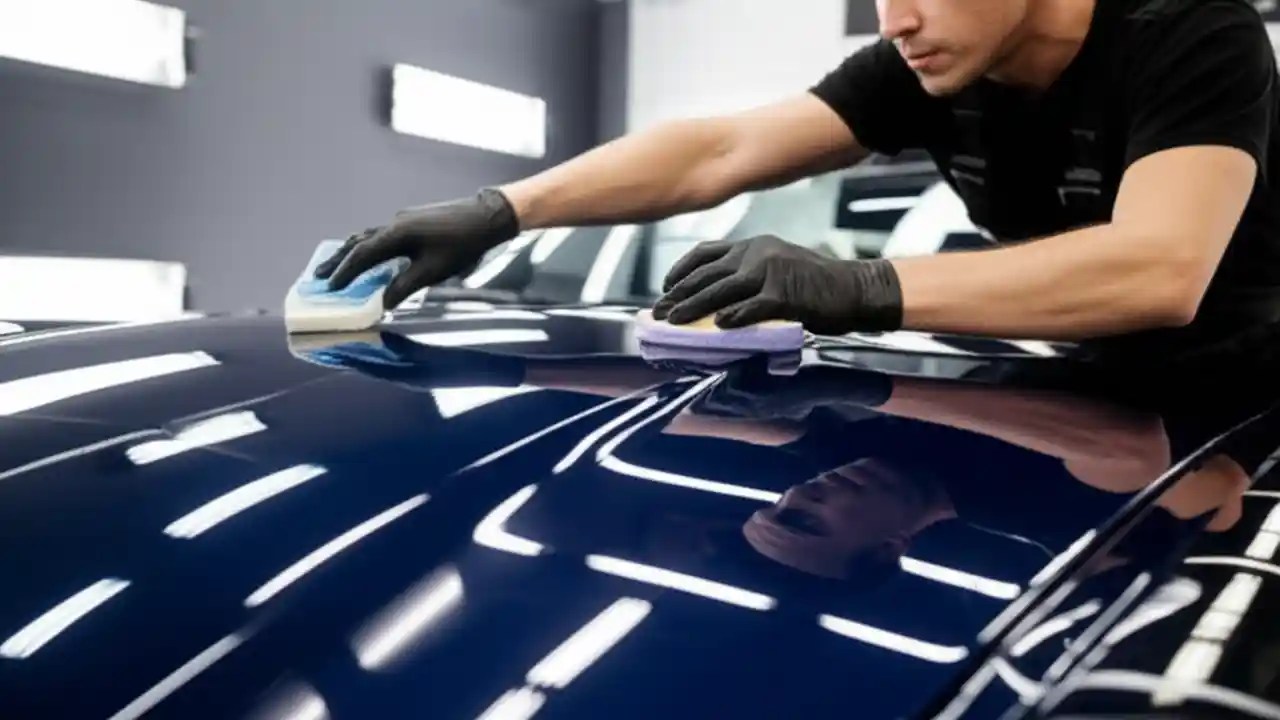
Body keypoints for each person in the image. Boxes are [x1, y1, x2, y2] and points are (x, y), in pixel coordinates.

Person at [319, 0, 1279, 364]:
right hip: (1088, 383)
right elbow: (721, 151)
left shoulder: (1190, 32)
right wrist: (502, 210)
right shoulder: (927, 65)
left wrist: (859, 286)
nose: (893, 18)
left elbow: (1161, 269)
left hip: (1250, 410)